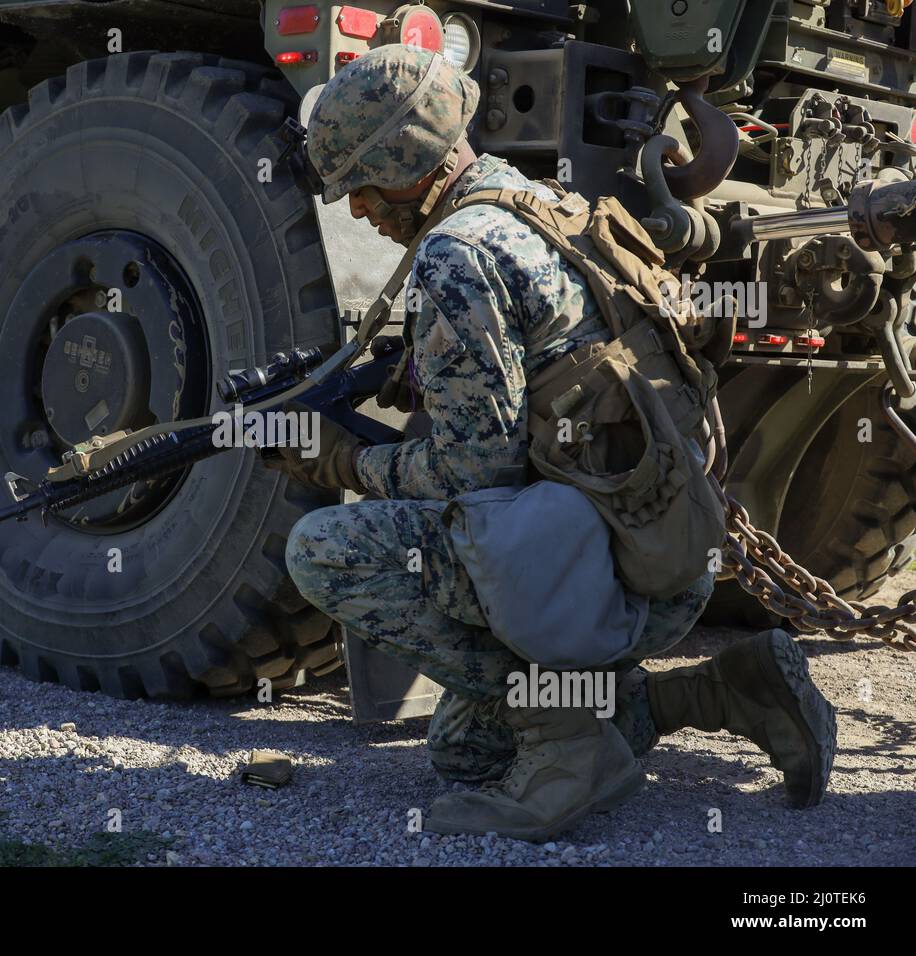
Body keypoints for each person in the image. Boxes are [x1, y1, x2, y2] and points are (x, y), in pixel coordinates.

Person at [264, 44, 837, 841]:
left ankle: (568, 745)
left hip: (601, 573)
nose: (358, 209)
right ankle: (722, 692)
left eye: (362, 184)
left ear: (406, 160)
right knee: (466, 751)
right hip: (657, 553)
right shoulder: (541, 202)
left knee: (325, 548)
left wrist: (344, 460)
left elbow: (473, 467)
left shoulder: (456, 255)